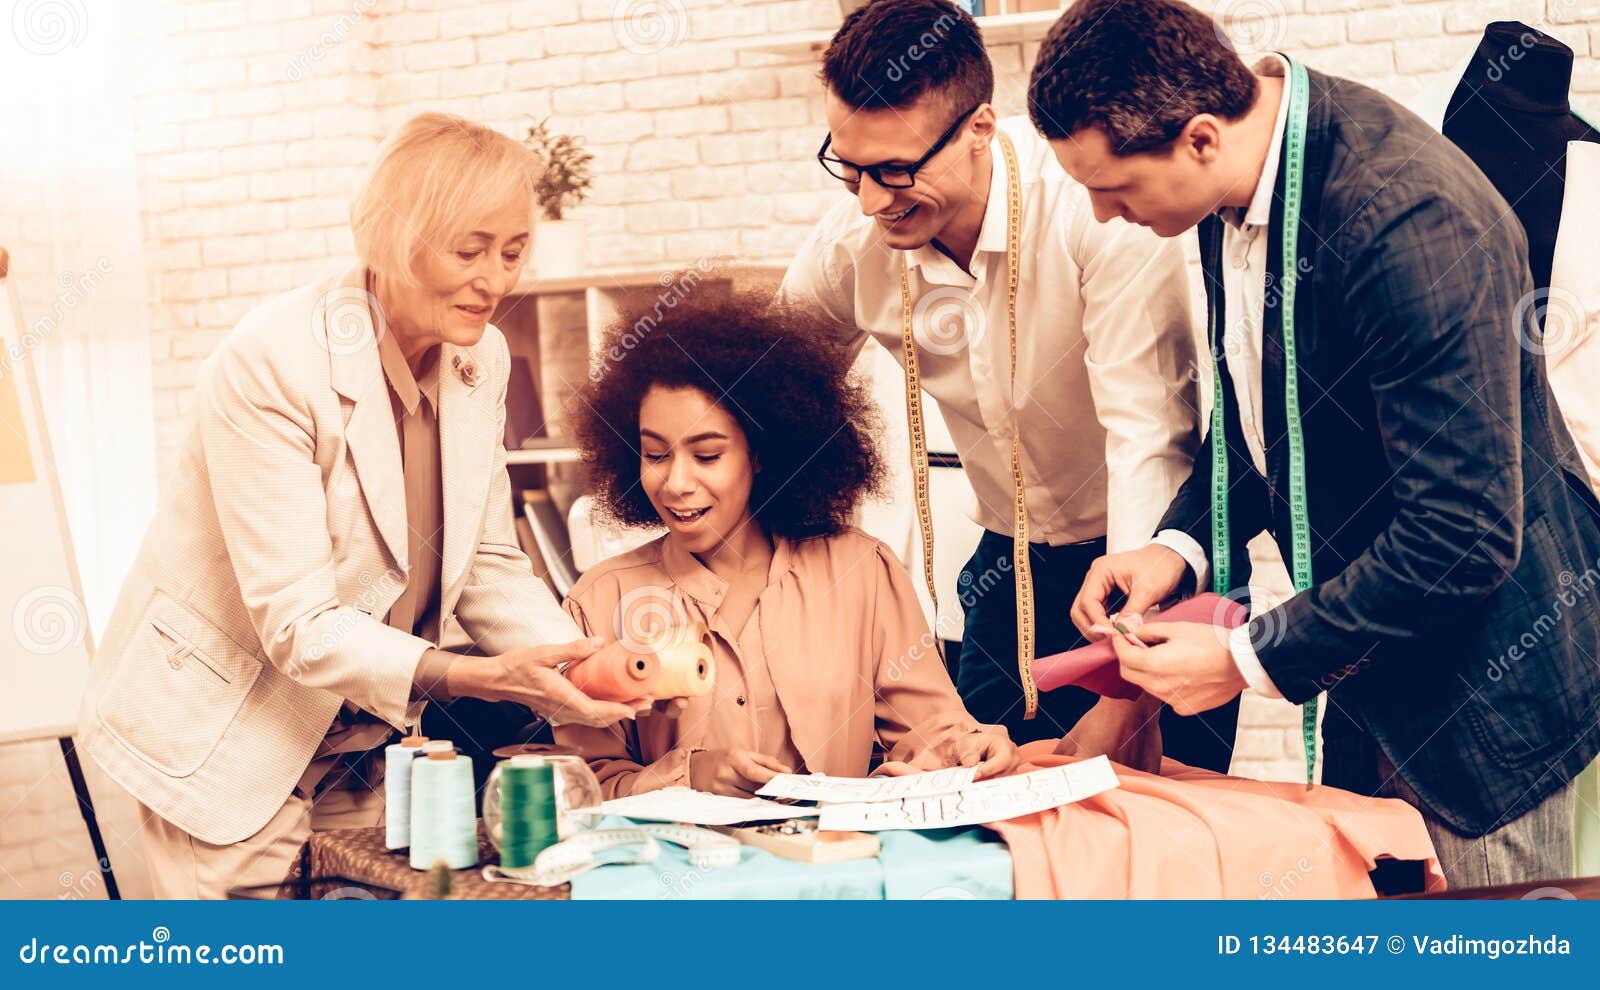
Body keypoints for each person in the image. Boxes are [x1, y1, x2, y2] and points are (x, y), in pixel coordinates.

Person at [1032, 0, 1600, 885]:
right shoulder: (1239, 187)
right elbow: (1265, 411)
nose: (1104, 217)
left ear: (1200, 138)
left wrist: (1244, 658)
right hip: (1365, 667)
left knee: (1498, 957)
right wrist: (1176, 547)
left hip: (1482, 708)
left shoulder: (1409, 219)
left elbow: (1463, 537)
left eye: (1115, 189)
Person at [76, 113, 645, 898]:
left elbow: (484, 562)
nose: (496, 279)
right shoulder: (272, 362)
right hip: (233, 738)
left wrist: (581, 662)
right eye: (469, 250)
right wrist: (479, 678)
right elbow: (298, 623)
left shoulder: (480, 357)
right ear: (394, 239)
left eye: (512, 251)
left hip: (363, 739)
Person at [776, 0, 1236, 769]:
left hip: (1151, 559)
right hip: (1007, 564)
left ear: (980, 129)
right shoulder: (855, 239)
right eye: (849, 168)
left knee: (1156, 824)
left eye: (895, 170)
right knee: (992, 819)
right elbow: (767, 392)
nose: (868, 200)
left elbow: (1147, 437)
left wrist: (1126, 679)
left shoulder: (1095, 205)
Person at [553, 295, 1017, 797]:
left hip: (837, 863)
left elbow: (930, 731)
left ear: (760, 453)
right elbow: (581, 787)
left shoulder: (861, 571)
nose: (676, 482)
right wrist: (689, 776)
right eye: (655, 454)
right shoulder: (600, 601)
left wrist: (966, 749)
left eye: (707, 455)